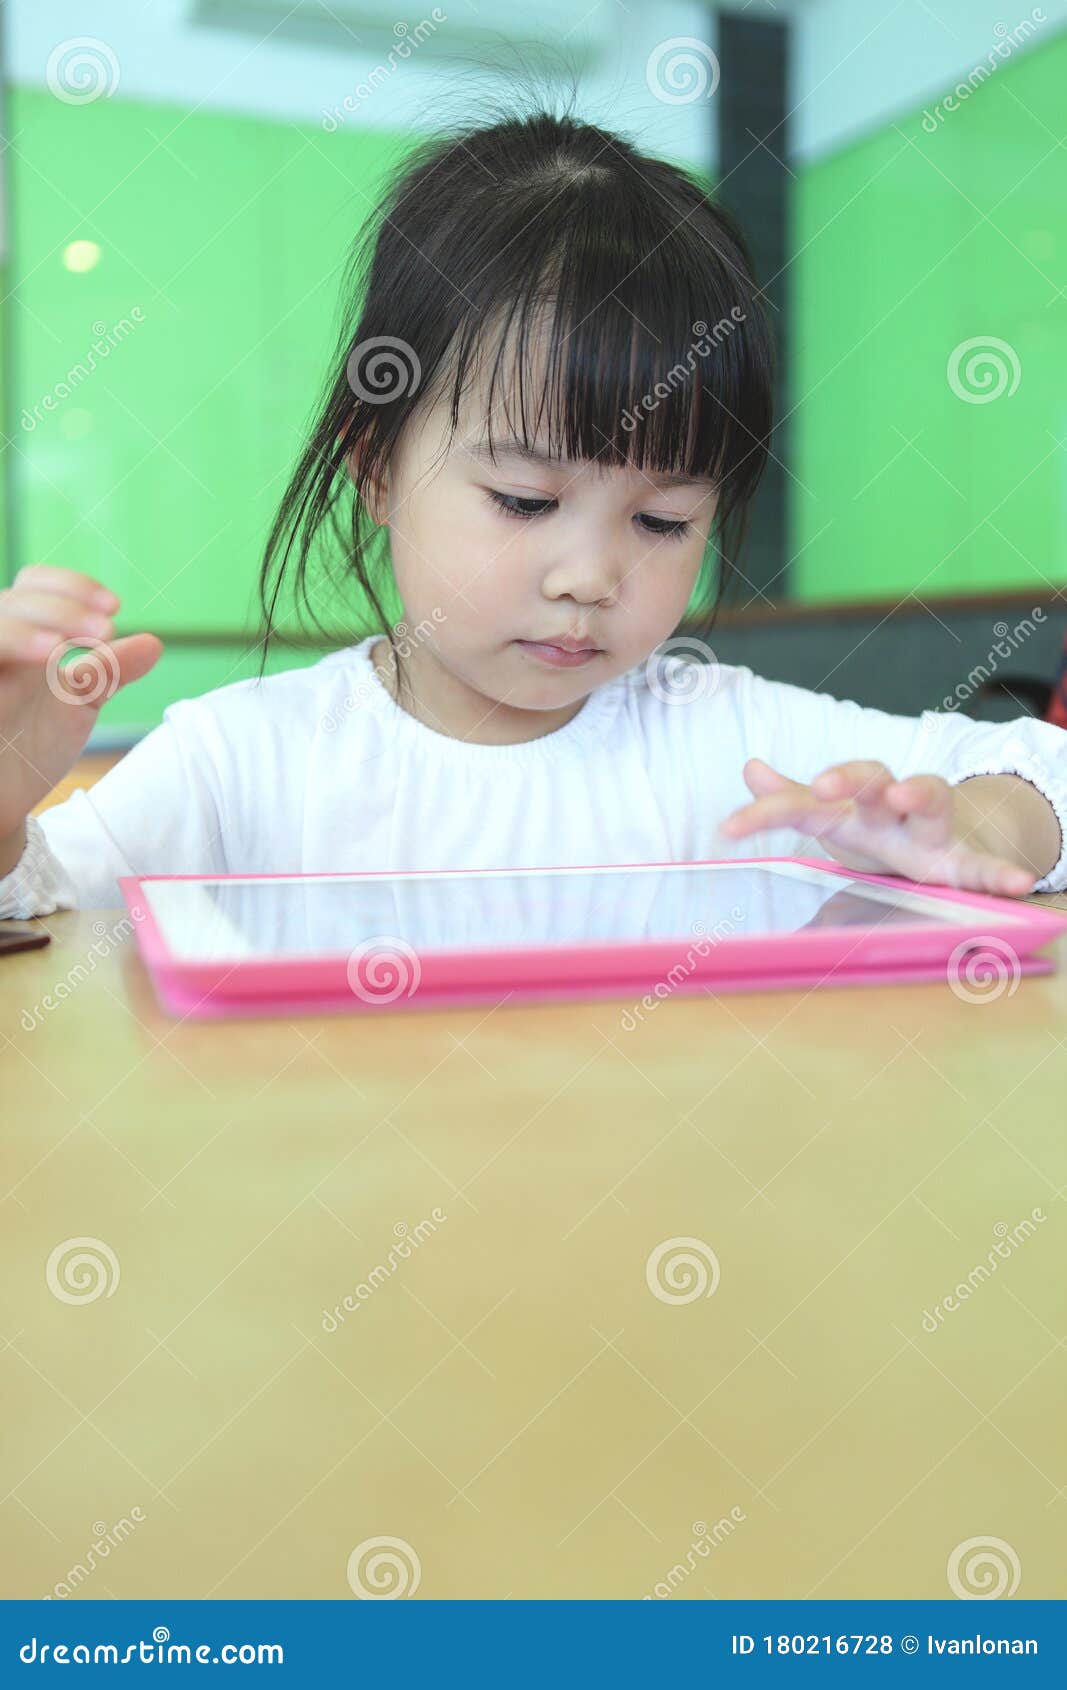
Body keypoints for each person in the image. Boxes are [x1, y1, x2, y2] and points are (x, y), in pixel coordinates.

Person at [2, 107, 1065, 920]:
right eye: (523, 499)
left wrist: (979, 824)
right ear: (374, 467)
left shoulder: (732, 740)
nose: (588, 576)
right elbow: (37, 903)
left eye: (660, 522)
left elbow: (1042, 772)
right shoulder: (241, 762)